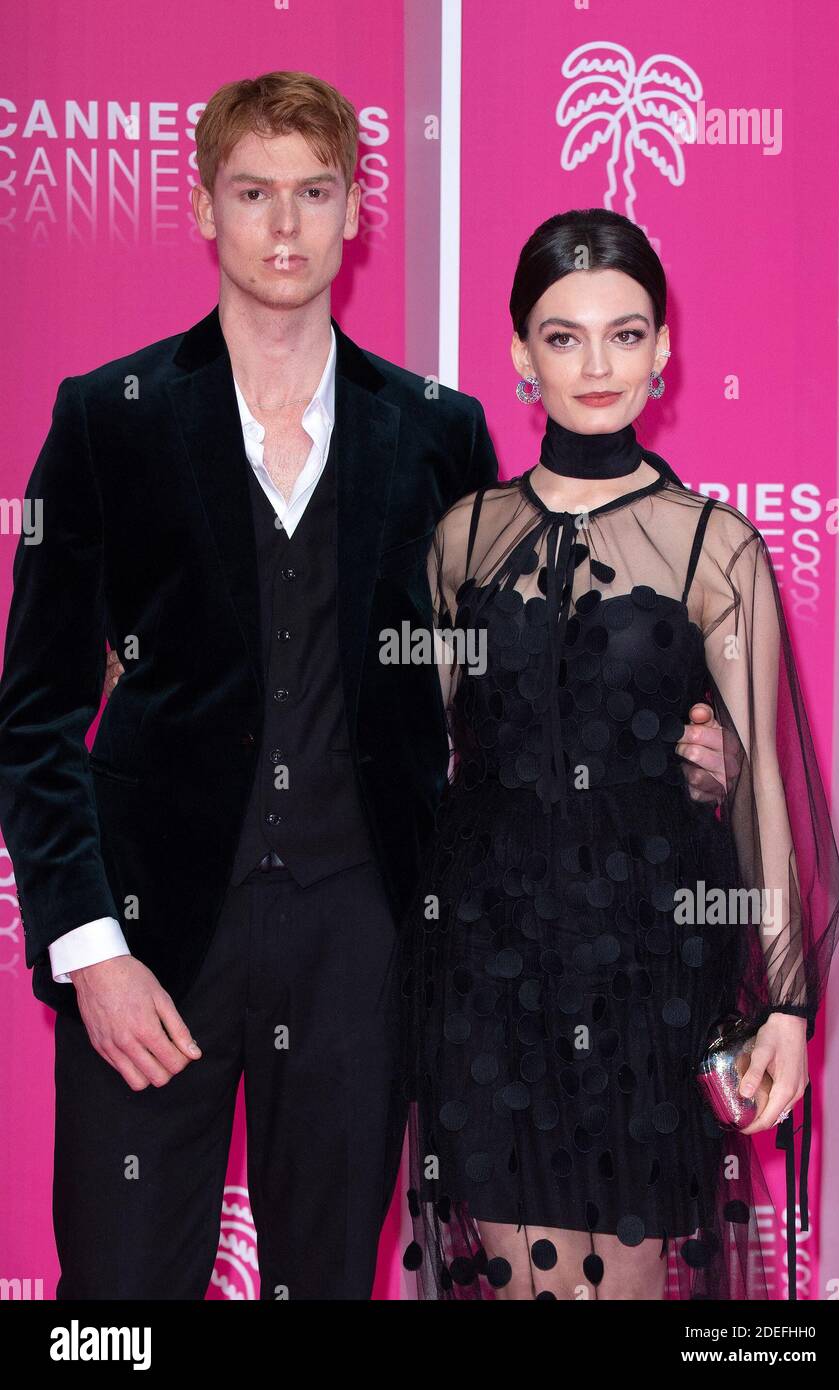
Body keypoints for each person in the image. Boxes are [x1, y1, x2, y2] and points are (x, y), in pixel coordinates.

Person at [0, 66, 722, 1300]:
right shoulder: (105, 418)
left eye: (313, 192)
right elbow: (35, 720)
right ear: (201, 209)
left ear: (354, 212)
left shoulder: (434, 432)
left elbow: (509, 684)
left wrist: (676, 746)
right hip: (149, 942)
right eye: (253, 193)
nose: (284, 226)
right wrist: (88, 949)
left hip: (362, 945)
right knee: (111, 1308)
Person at [398, 208, 839, 1301]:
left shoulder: (715, 544)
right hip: (487, 965)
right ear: (517, 354)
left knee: (627, 1287)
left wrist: (784, 1003)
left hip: (646, 963)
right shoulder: (459, 537)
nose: (596, 364)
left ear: (661, 350)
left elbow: (763, 803)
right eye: (562, 336)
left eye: (624, 332)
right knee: (521, 1287)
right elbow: (426, 761)